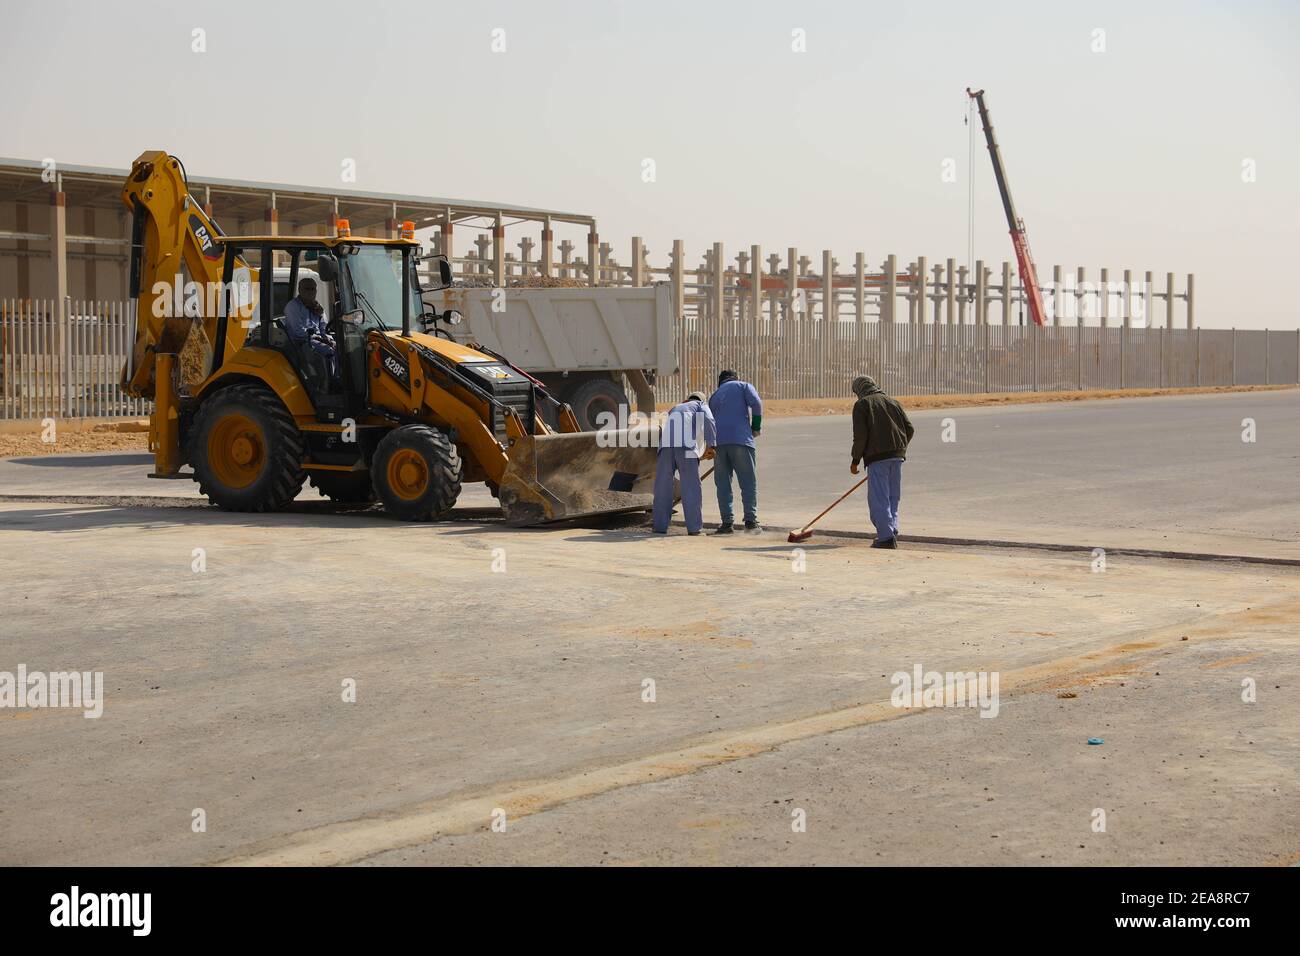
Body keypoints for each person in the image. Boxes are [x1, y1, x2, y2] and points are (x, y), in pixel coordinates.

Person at [849, 374, 914, 549]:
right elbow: (909, 428)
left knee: (879, 498)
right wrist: (899, 449)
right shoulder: (893, 402)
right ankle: (892, 529)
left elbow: (860, 437)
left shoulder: (862, 405)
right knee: (893, 496)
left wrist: (855, 460)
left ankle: (885, 538)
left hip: (878, 458)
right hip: (897, 456)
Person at [652, 391, 716, 535]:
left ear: (687, 399)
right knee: (691, 487)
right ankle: (694, 529)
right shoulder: (701, 404)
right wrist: (712, 445)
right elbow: (709, 421)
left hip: (666, 448)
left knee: (663, 487)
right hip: (686, 448)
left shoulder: (676, 407)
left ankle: (659, 527)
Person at [707, 369, 763, 534]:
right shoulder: (744, 386)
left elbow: (709, 421)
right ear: (735, 378)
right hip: (741, 441)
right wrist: (756, 427)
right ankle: (751, 523)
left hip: (719, 445)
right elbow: (757, 404)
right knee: (747, 483)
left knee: (723, 485)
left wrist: (711, 446)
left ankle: (726, 523)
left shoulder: (715, 395)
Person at [283, 277, 338, 382]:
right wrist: (319, 339)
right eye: (307, 289)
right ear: (300, 290)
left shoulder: (317, 307)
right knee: (329, 350)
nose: (310, 292)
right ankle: (329, 382)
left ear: (316, 291)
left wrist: (328, 338)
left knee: (340, 348)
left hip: (315, 339)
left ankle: (337, 380)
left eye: (313, 289)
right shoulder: (293, 306)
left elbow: (324, 326)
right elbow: (298, 331)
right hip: (299, 342)